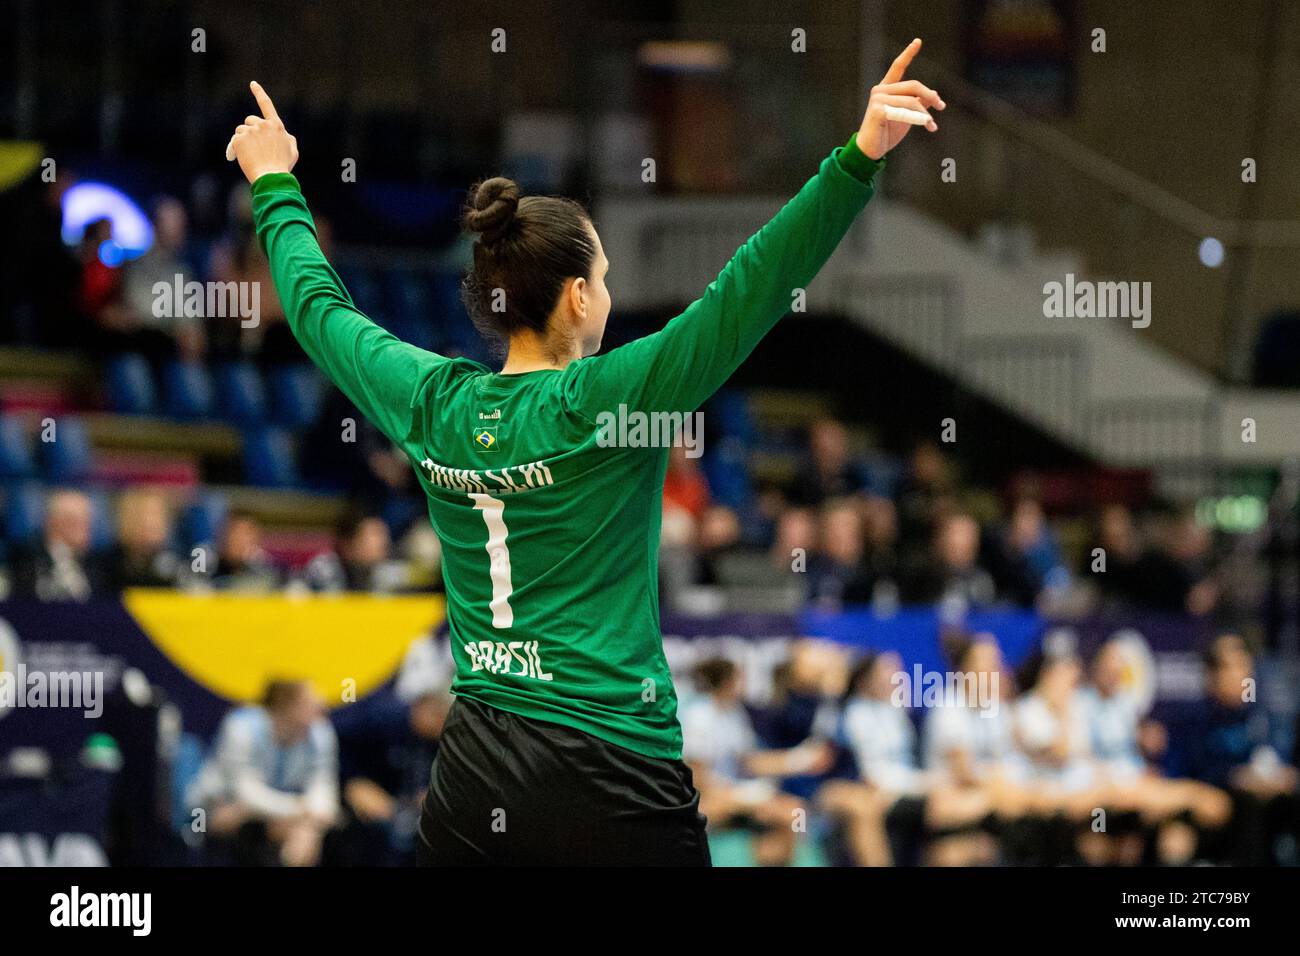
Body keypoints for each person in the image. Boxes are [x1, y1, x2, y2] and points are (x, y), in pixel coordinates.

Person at [225, 40, 943, 865]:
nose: (605, 292)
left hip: (477, 772)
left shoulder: (431, 403)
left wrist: (274, 183)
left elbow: (319, 312)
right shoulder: (610, 399)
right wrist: (856, 161)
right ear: (577, 296)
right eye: (601, 276)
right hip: (614, 765)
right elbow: (749, 288)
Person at [187, 680, 339, 867]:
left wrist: (311, 821)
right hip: (212, 810)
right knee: (236, 814)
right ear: (285, 705)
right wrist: (298, 810)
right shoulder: (242, 726)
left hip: (276, 814)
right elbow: (245, 792)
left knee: (306, 832)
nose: (321, 709)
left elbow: (324, 788)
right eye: (309, 704)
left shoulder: (320, 732)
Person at [8, 488, 109, 601]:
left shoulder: (96, 564)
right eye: (78, 521)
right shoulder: (26, 559)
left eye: (87, 521)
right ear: (54, 522)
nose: (87, 529)